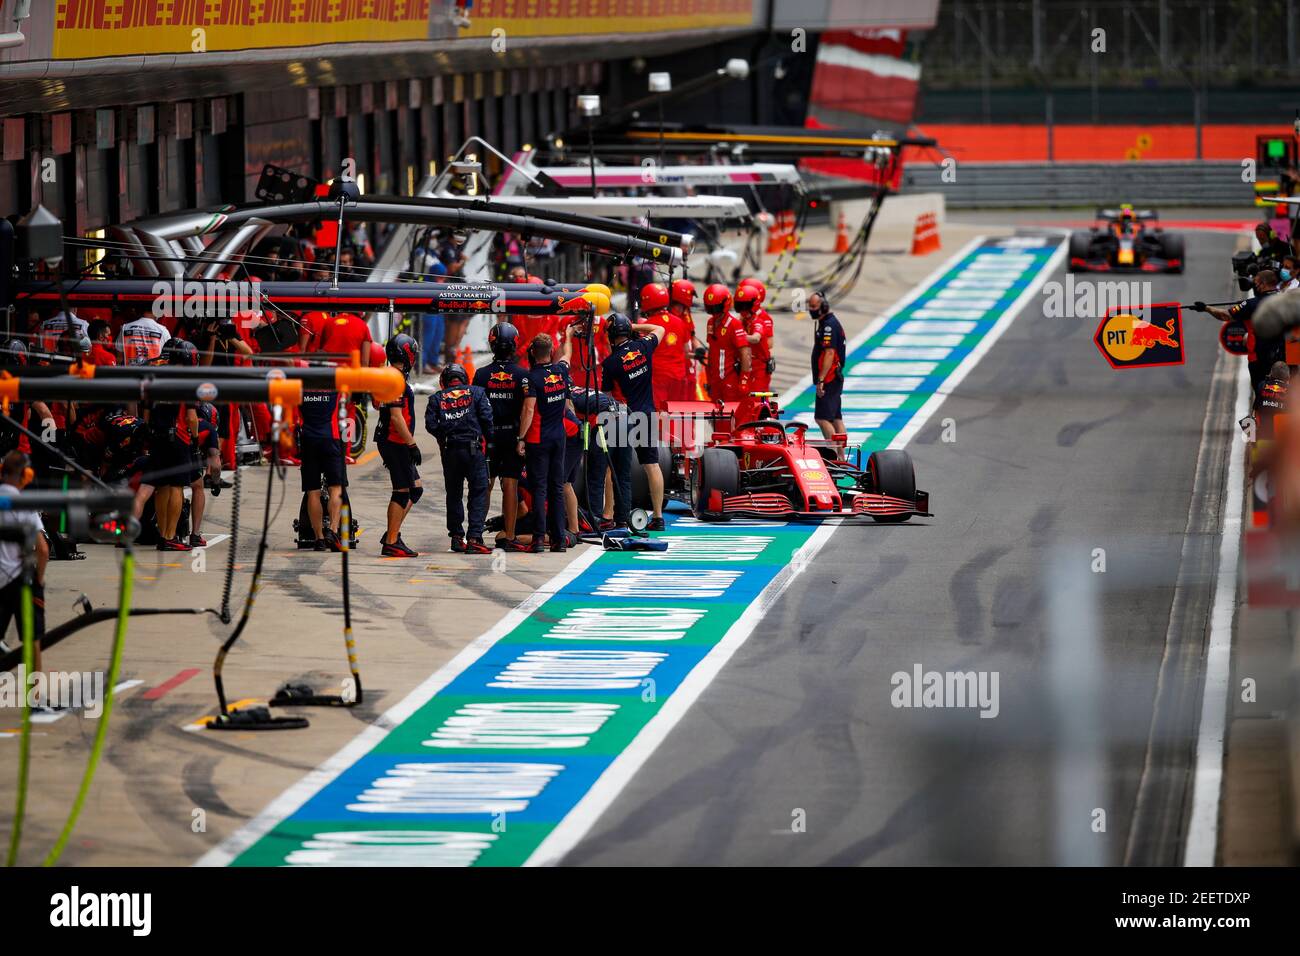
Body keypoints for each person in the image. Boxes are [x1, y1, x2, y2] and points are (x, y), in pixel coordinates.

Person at [601, 312, 668, 530]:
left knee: (613, 468)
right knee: (652, 465)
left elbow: (607, 395)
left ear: (611, 335)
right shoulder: (644, 347)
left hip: (624, 417)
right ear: (628, 330)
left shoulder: (610, 363)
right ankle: (658, 517)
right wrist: (636, 325)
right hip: (648, 413)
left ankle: (608, 514)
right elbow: (660, 329)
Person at [473, 322, 530, 551]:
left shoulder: (481, 374)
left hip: (489, 437)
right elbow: (529, 409)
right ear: (514, 345)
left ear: (492, 344)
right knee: (510, 485)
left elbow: (474, 408)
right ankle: (510, 535)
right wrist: (523, 438)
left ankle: (475, 535)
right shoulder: (522, 375)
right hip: (513, 437)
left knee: (485, 485)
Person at [426, 363, 494, 554]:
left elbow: (431, 424)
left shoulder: (436, 398)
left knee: (454, 494)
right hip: (474, 450)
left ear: (444, 381)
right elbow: (488, 419)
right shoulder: (477, 392)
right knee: (478, 492)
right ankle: (474, 538)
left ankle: (456, 537)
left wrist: (446, 434)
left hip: (451, 450)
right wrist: (489, 443)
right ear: (465, 378)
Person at [0, 452, 50, 705]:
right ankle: (34, 700)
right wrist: (39, 580)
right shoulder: (23, 503)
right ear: (25, 475)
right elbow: (42, 549)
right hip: (20, 581)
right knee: (32, 641)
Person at [518, 334, 574, 553]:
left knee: (540, 489)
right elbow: (567, 355)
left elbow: (529, 409)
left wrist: (521, 437)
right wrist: (568, 336)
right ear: (551, 351)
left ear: (533, 353)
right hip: (559, 437)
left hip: (537, 439)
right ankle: (559, 539)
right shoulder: (561, 371)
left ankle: (539, 539)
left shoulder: (532, 378)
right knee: (556, 488)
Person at [1193, 269, 1282, 397]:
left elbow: (1225, 316)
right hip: (1284, 356)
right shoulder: (1287, 299)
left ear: (1262, 284)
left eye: (1255, 283)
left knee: (1263, 395)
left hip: (1259, 359)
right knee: (1282, 393)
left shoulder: (1251, 304)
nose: (1254, 286)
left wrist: (1206, 308)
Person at [148, 339, 201, 551]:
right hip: (177, 436)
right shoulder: (186, 380)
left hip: (156, 434)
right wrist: (195, 439)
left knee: (161, 487)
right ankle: (171, 536)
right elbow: (191, 418)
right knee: (177, 486)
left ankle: (163, 535)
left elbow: (146, 408)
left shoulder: (156, 375)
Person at [374, 334, 422, 557]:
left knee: (416, 489)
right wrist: (411, 444)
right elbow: (396, 416)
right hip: (395, 441)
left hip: (392, 439)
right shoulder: (395, 379)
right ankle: (392, 540)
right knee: (402, 492)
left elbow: (376, 403)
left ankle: (392, 533)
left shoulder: (389, 376)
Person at [298, 386, 348, 552]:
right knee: (336, 487)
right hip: (331, 439)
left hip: (308, 440)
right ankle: (333, 532)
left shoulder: (299, 388)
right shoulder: (336, 386)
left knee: (313, 491)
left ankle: (319, 538)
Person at [638, 282, 690, 411]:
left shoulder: (647, 326)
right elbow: (687, 351)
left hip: (658, 378)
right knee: (677, 414)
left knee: (660, 415)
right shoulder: (680, 322)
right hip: (679, 377)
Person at [702, 282, 751, 402]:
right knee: (714, 418)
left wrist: (744, 380)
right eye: (710, 308)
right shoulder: (710, 323)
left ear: (725, 304)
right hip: (715, 382)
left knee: (730, 417)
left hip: (730, 381)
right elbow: (712, 352)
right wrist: (709, 380)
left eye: (716, 308)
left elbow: (745, 354)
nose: (714, 313)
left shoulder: (735, 324)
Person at [809, 290, 847, 439]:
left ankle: (833, 454)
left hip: (830, 378)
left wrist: (821, 379)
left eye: (814, 306)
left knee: (822, 418)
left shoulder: (828, 326)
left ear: (823, 306)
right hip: (834, 377)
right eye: (810, 306)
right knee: (836, 418)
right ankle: (841, 456)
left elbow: (829, 353)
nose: (811, 310)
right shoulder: (827, 323)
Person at [735, 280, 774, 397]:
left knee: (758, 402)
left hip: (758, 367)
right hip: (746, 365)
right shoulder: (744, 318)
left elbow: (769, 343)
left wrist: (739, 337)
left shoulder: (761, 319)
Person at [669, 278, 702, 400]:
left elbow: (692, 336)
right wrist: (695, 355)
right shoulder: (669, 318)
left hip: (689, 367)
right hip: (677, 369)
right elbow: (678, 351)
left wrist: (699, 349)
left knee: (691, 402)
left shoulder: (685, 312)